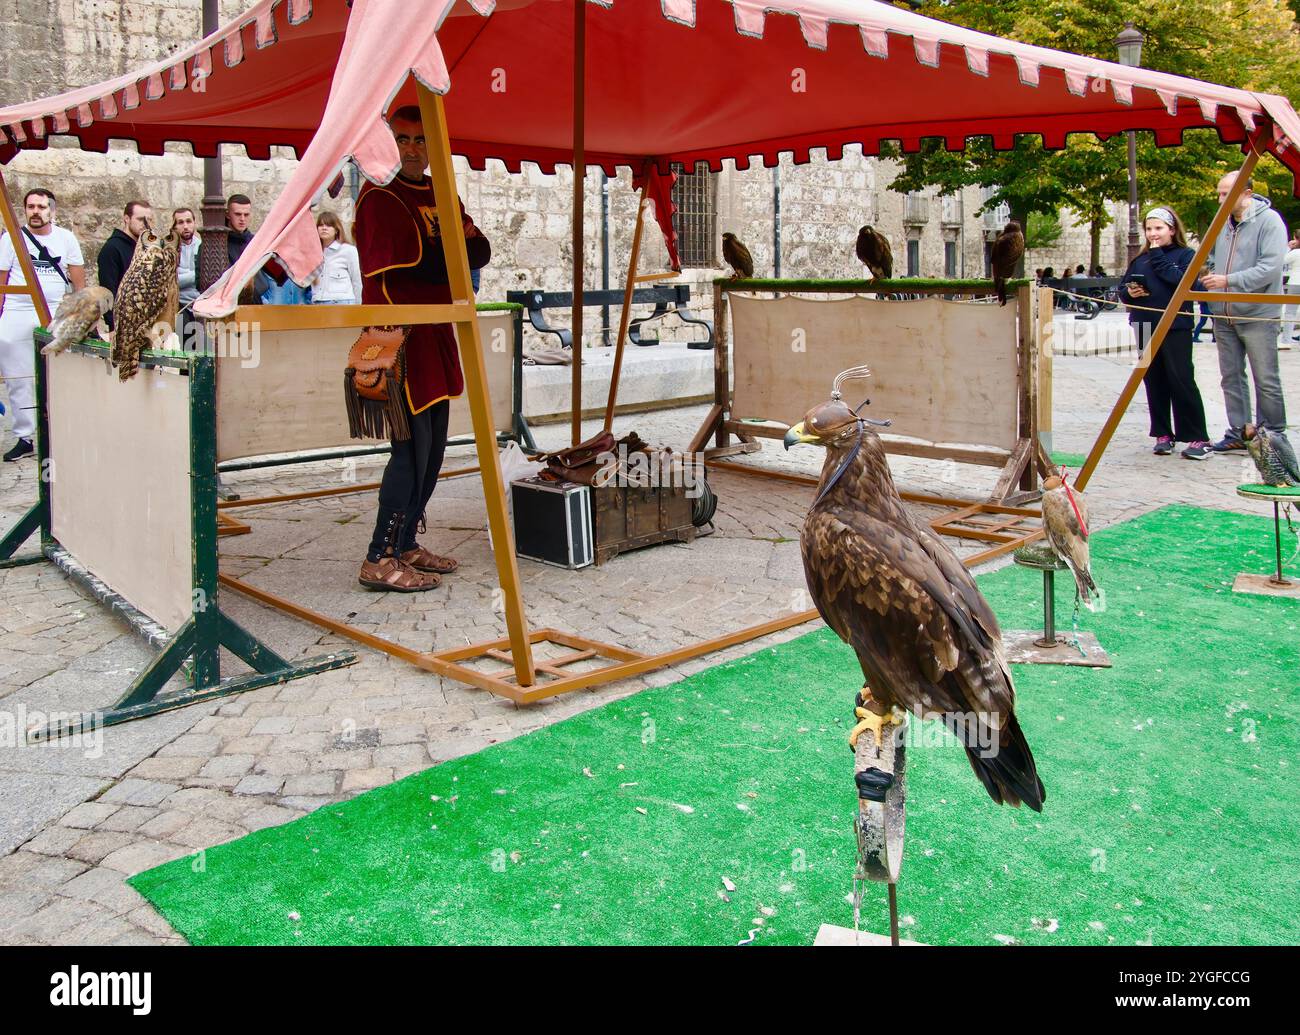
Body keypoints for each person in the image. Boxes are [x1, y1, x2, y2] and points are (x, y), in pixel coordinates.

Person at [353, 105, 491, 591]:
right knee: (408, 453)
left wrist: (452, 250)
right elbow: (419, 267)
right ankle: (378, 556)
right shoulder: (377, 196)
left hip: (435, 333)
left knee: (433, 452)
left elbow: (477, 253)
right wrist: (450, 248)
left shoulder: (439, 191)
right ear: (390, 143)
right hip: (394, 338)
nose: (412, 149)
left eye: (420, 140)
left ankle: (407, 541)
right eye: (403, 139)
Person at [1200, 173, 1289, 451]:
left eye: (1226, 194)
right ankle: (1239, 431)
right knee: (1230, 377)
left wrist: (1229, 280)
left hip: (1257, 314)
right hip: (1223, 313)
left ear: (1247, 193)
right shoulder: (1222, 223)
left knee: (1265, 376)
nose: (1220, 200)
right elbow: (1210, 257)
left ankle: (1272, 435)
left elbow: (1270, 267)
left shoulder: (1270, 221)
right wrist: (1209, 273)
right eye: (1219, 193)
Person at [1120, 206, 1212, 460]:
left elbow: (1185, 283)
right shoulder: (1140, 259)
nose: (1153, 234)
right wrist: (1130, 292)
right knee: (1154, 380)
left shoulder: (1185, 255)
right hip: (1144, 324)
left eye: (1158, 228)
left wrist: (1159, 254)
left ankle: (1197, 436)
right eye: (1149, 229)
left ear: (1171, 230)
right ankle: (1163, 433)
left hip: (1175, 326)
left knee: (1181, 379)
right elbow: (1123, 287)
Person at [0, 189, 85, 461]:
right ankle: (24, 436)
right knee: (19, 376)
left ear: (52, 211)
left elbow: (78, 281)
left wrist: (78, 315)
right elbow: (2, 280)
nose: (36, 211)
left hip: (54, 312)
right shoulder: (11, 239)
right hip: (17, 309)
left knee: (58, 374)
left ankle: (60, 432)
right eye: (31, 206)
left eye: (41, 206)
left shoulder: (66, 238)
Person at [97, 199, 152, 328]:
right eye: (140, 219)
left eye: (149, 220)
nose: (145, 224)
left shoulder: (145, 248)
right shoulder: (112, 248)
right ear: (127, 219)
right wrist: (113, 326)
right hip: (123, 325)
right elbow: (107, 292)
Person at [309, 211, 362, 304]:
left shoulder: (348, 250)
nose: (324, 228)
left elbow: (356, 281)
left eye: (328, 225)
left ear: (336, 229)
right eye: (321, 225)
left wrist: (357, 308)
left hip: (341, 303)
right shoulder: (312, 253)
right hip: (317, 303)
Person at [173, 207, 201, 348]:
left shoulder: (202, 246)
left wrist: (183, 274)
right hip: (180, 307)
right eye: (180, 222)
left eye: (189, 221)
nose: (185, 226)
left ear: (194, 223)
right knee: (184, 351)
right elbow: (172, 282)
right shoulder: (169, 250)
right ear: (174, 226)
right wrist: (196, 274)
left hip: (200, 306)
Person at [1280, 235, 1300, 349]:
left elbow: (1281, 260)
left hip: (1296, 282)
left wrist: (1288, 248)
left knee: (1290, 313)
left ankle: (1286, 341)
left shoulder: (1296, 252)